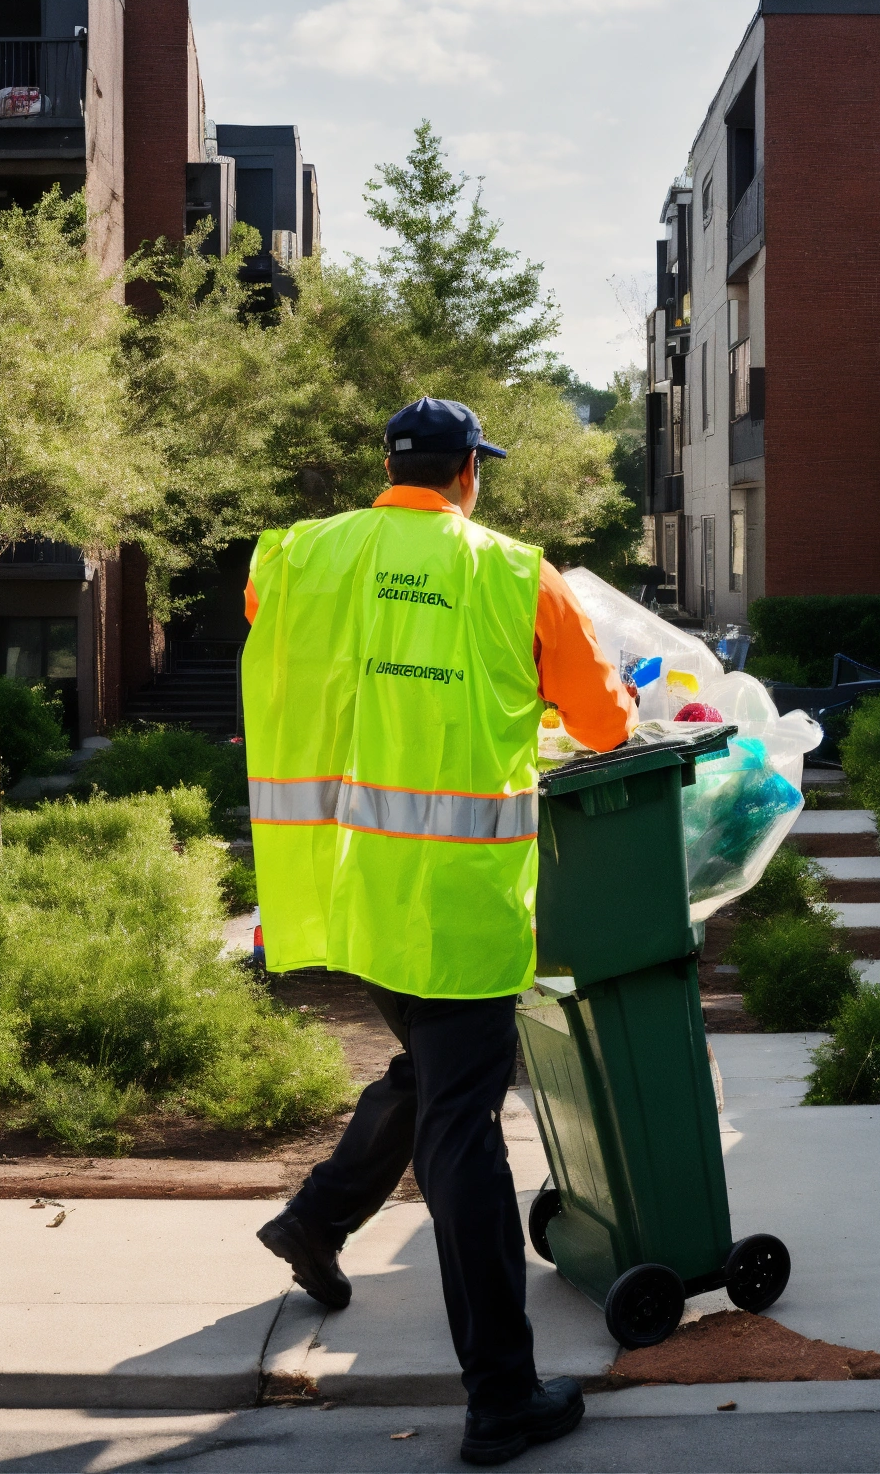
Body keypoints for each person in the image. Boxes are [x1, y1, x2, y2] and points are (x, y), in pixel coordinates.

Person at [242, 396, 636, 1468]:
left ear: (386, 464)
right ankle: (500, 1398)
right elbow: (602, 723)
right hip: (456, 902)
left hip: (348, 886)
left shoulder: (295, 554)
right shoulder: (515, 574)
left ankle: (317, 1220)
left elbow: (271, 631)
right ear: (470, 471)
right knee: (462, 1126)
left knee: (430, 1072)